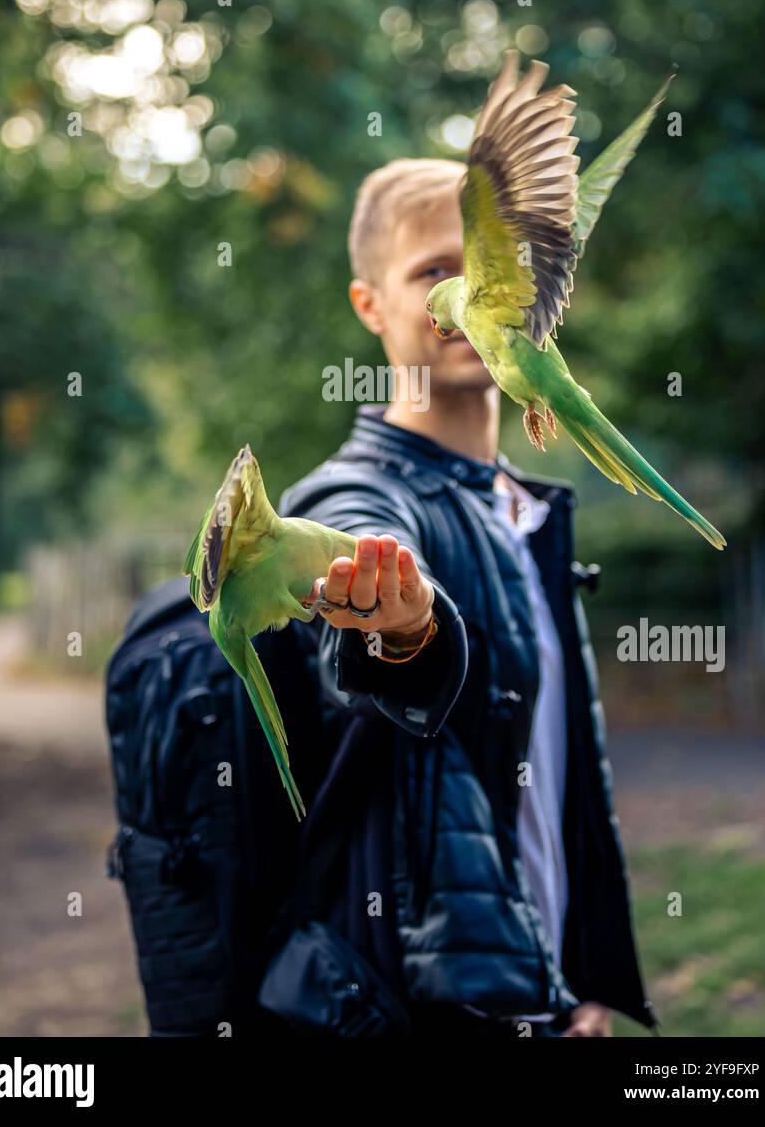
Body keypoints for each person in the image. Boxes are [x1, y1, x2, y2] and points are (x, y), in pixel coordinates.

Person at [269, 157, 657, 1038]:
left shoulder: (527, 511)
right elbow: (369, 562)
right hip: (419, 1010)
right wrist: (405, 626)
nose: (466, 293)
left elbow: (555, 787)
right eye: (432, 270)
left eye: (483, 268)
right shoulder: (351, 496)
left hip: (547, 1005)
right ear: (370, 305)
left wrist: (577, 982)